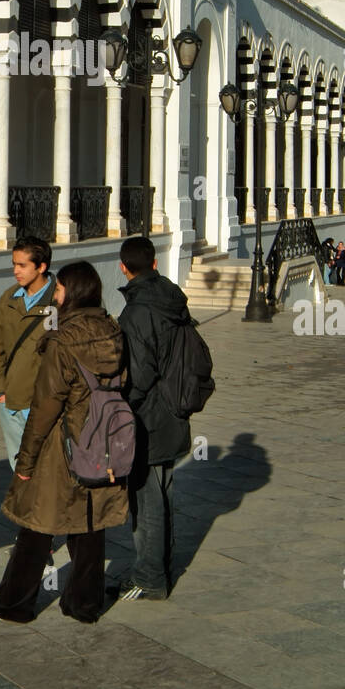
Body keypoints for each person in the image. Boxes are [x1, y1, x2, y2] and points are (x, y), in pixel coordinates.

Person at [0, 261, 128, 624]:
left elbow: (45, 407)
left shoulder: (62, 340)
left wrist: (26, 462)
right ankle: (84, 604)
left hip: (63, 444)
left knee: (37, 522)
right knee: (90, 522)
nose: (55, 296)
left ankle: (13, 604)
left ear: (72, 293)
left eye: (59, 291)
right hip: (103, 439)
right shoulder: (112, 332)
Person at [113, 236, 193, 601]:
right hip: (175, 408)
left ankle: (149, 577)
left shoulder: (138, 311)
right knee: (162, 492)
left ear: (123, 266)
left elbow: (139, 375)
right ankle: (160, 567)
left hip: (147, 417)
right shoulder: (172, 300)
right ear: (156, 264)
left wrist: (122, 410)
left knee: (147, 501)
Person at [0, 237, 55, 470]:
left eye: (22, 265)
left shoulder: (60, 300)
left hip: (48, 404)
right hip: (13, 404)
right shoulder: (8, 300)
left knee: (48, 471)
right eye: (14, 264)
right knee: (21, 472)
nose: (16, 271)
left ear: (41, 267)